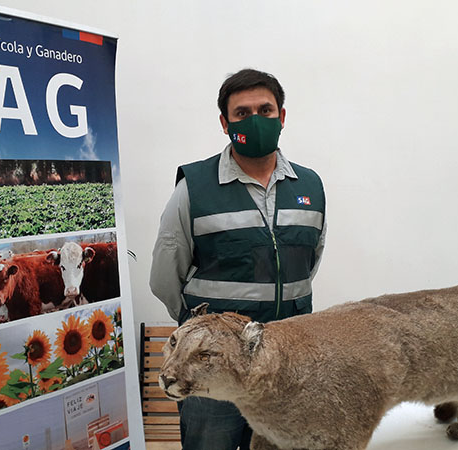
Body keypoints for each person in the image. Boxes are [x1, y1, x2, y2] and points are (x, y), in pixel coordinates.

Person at [150, 68, 327, 450]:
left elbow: (308, 265)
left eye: (265, 110)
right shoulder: (194, 188)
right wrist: (205, 332)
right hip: (211, 367)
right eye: (242, 113)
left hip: (287, 362)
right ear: (224, 122)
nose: (255, 120)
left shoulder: (311, 186)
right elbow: (165, 277)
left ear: (282, 117)